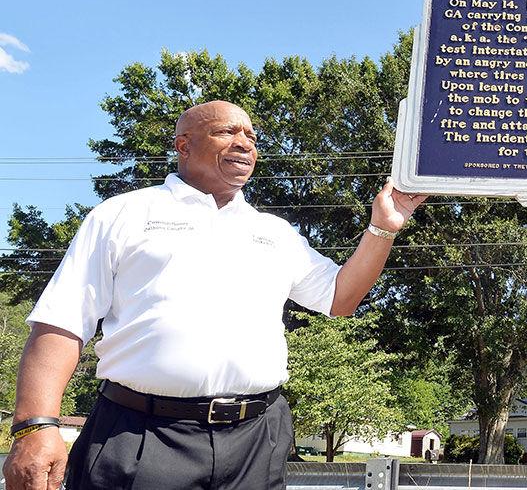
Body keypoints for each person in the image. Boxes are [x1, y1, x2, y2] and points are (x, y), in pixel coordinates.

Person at [3, 101, 427, 490]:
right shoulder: (123, 215)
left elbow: (339, 298)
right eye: (227, 132)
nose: (244, 143)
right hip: (141, 436)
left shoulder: (274, 232)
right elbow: (61, 322)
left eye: (252, 137)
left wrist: (384, 227)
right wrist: (35, 427)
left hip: (257, 441)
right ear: (184, 145)